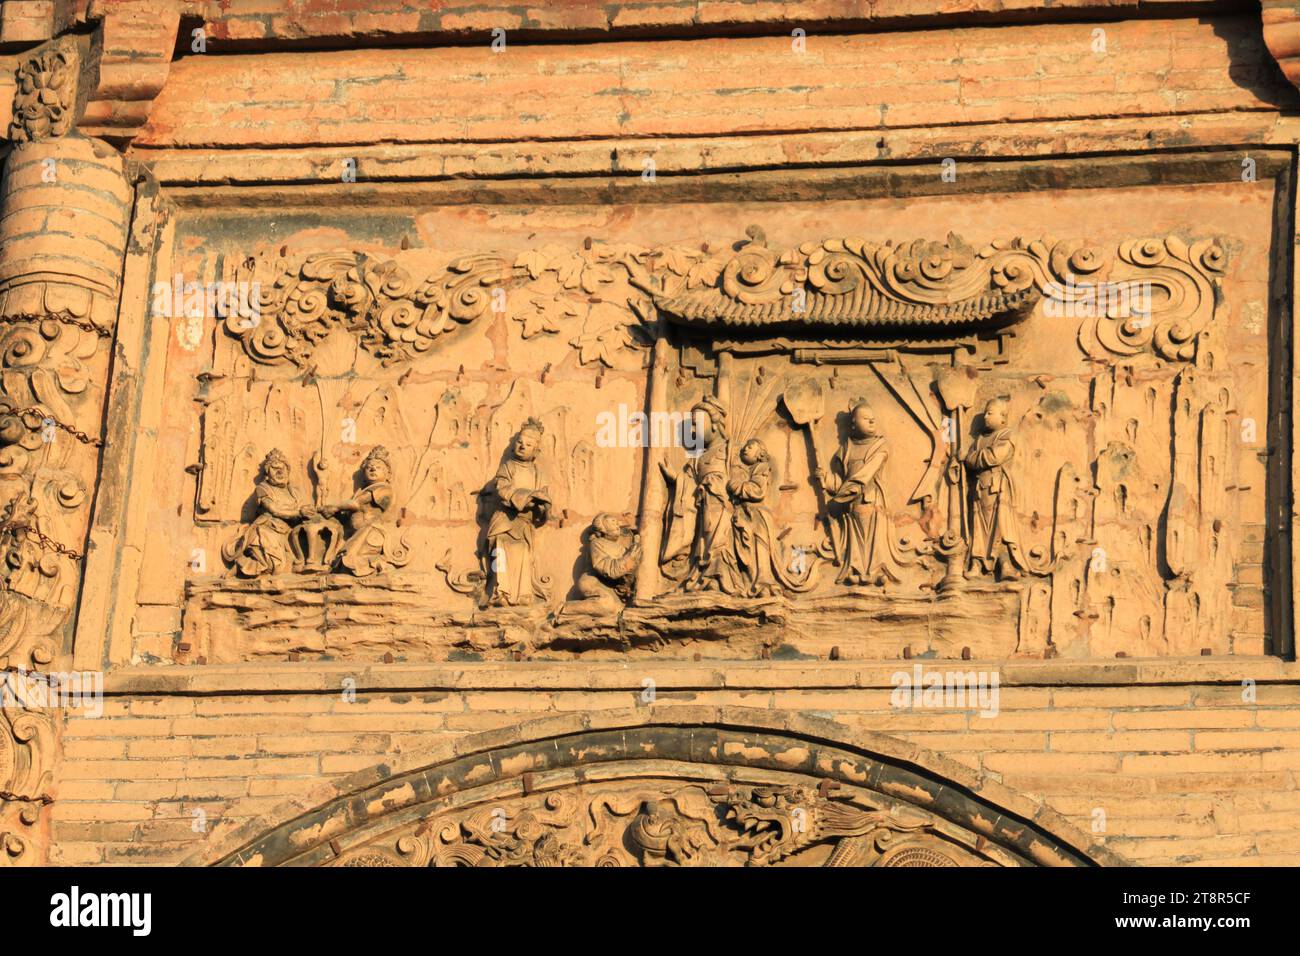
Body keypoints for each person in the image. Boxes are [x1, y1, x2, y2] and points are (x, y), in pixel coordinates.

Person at [815, 402, 905, 586]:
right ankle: (857, 570)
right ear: (854, 423)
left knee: (874, 536)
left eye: (873, 417)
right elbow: (841, 481)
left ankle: (876, 571)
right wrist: (826, 479)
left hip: (871, 499)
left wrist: (838, 499)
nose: (872, 420)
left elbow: (863, 476)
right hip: (851, 504)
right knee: (855, 538)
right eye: (865, 418)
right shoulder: (845, 450)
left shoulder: (880, 446)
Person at [486, 418, 552, 605]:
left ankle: (523, 594)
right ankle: (502, 592)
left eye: (528, 444)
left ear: (536, 450)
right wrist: (526, 497)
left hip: (524, 522)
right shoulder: (508, 467)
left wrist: (541, 505)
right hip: (505, 519)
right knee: (500, 549)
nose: (522, 446)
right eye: (520, 442)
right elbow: (502, 488)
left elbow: (545, 497)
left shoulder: (539, 472)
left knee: (523, 552)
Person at [965, 397, 1028, 580]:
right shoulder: (978, 440)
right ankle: (976, 564)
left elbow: (994, 457)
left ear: (1003, 417)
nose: (985, 416)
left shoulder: (1007, 435)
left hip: (999, 488)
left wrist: (969, 458)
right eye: (985, 412)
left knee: (1001, 527)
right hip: (979, 491)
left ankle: (1005, 564)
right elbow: (970, 459)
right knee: (977, 526)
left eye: (990, 413)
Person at [224, 448, 313, 577]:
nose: (280, 472)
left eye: (283, 468)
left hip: (288, 531)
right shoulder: (263, 489)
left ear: (288, 471)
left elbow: (305, 510)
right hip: (267, 529)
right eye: (274, 468)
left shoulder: (295, 492)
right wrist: (299, 512)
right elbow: (274, 510)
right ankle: (241, 566)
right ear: (267, 473)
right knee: (273, 566)